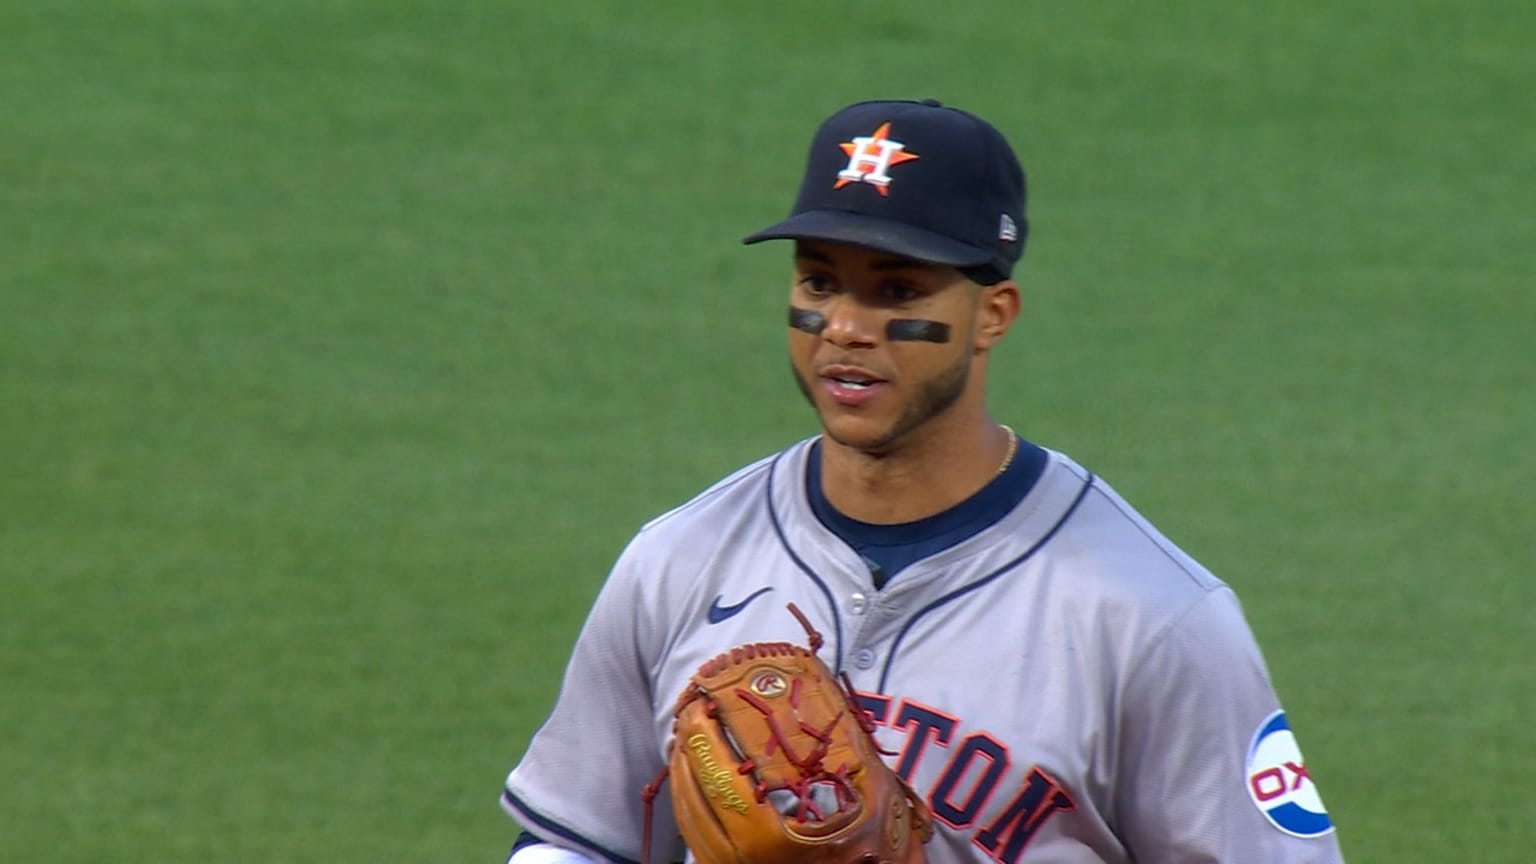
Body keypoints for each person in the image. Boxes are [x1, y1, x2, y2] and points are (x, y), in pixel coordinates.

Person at [498, 99, 1344, 863]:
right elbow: (576, 840)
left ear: (994, 316)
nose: (845, 328)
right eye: (820, 281)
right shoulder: (679, 561)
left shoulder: (1153, 619)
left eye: (896, 289)